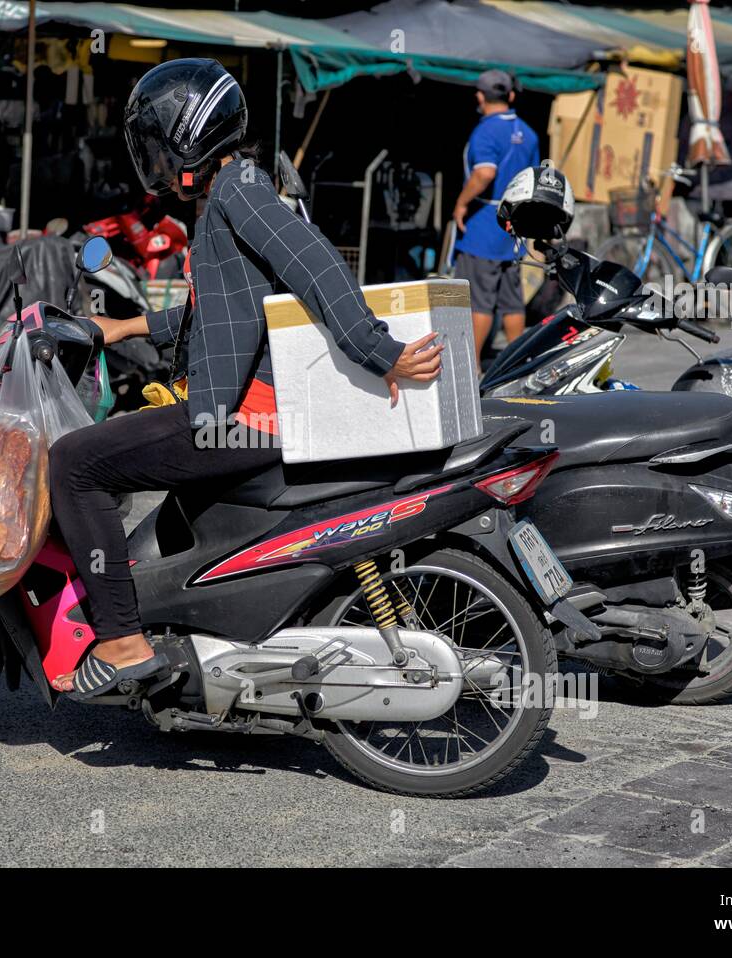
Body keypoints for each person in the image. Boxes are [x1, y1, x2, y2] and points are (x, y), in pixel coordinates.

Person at [48, 58, 443, 697]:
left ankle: (121, 643)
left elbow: (317, 265)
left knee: (74, 462)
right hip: (242, 413)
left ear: (186, 136)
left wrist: (381, 350)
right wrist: (123, 329)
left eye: (154, 144)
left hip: (237, 421)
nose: (149, 161)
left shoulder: (240, 192)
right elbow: (226, 312)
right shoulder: (235, 191)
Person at [451, 70, 540, 360]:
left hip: (484, 226)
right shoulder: (528, 133)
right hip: (513, 225)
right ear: (511, 96)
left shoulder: (485, 131)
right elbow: (533, 179)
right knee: (512, 301)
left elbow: (485, 172)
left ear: (480, 96)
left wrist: (462, 203)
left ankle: (472, 366)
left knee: (478, 300)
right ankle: (518, 363)